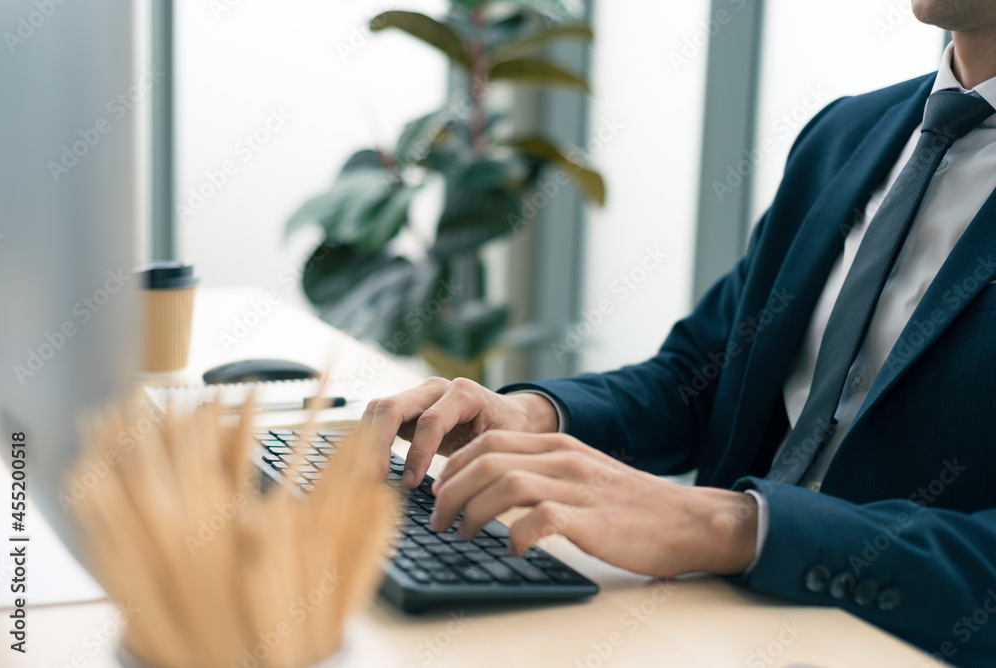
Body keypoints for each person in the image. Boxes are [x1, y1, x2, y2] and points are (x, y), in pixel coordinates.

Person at [358, 1, 996, 664]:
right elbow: (703, 375)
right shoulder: (847, 133)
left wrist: (733, 525)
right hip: (707, 617)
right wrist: (533, 414)